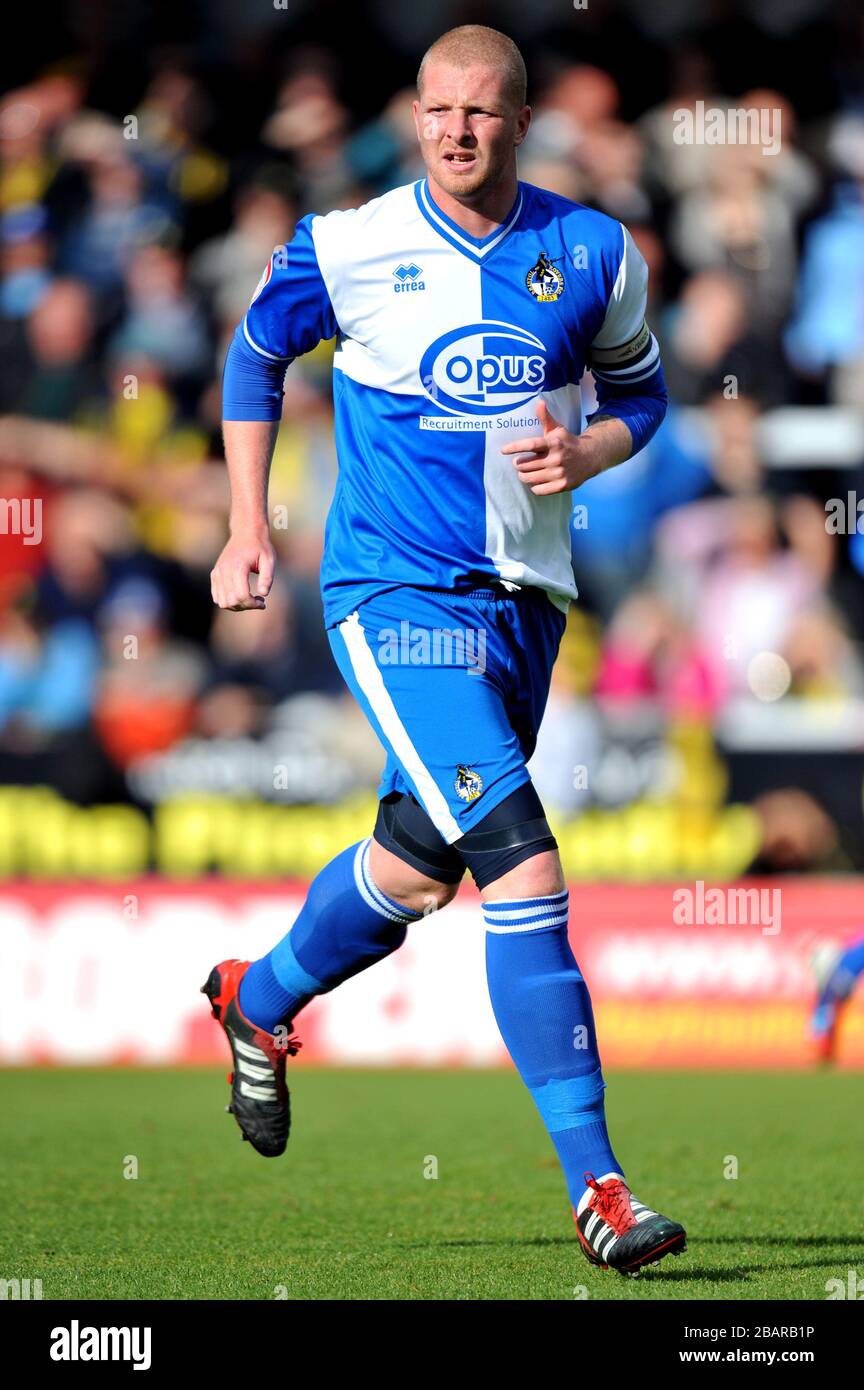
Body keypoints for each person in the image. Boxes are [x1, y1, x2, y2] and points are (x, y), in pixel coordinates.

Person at [203, 24, 686, 1276]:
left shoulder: (591, 252)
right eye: (437, 110)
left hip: (527, 602)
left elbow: (643, 396)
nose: (457, 130)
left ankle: (255, 998)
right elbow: (254, 353)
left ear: (522, 121)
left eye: (482, 111)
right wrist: (249, 524)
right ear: (415, 117)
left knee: (413, 874)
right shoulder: (349, 245)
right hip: (395, 599)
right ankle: (601, 1187)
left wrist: (588, 453)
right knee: (522, 867)